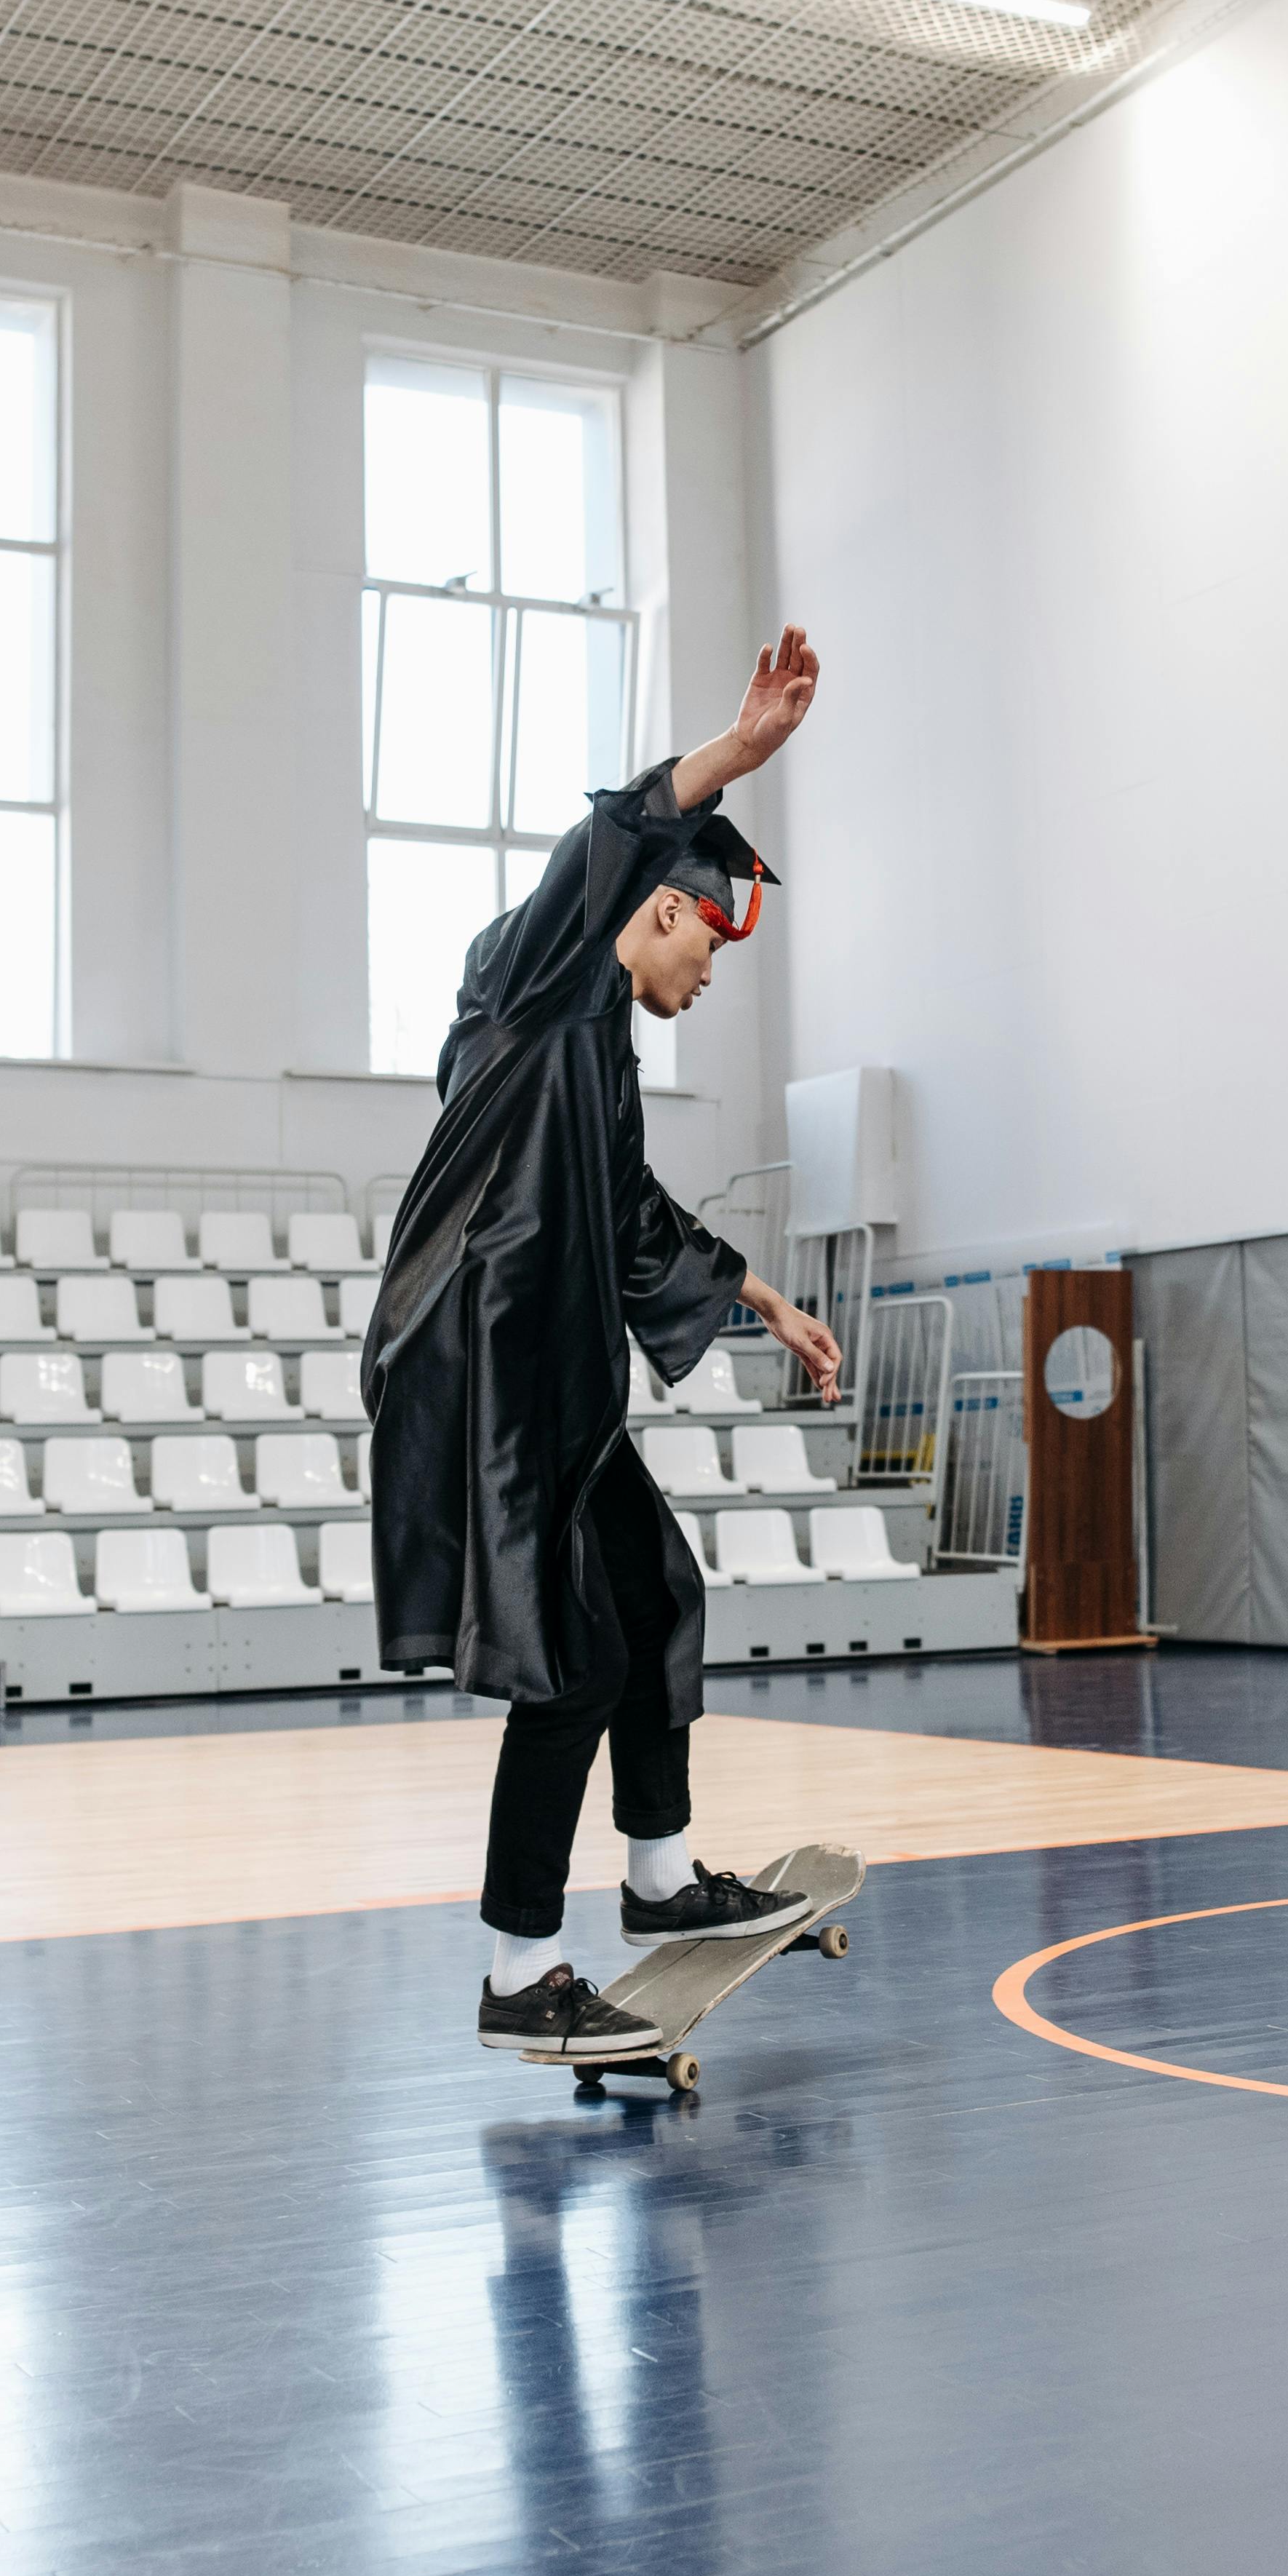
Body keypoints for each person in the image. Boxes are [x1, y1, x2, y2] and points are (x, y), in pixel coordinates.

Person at [360, 626, 843, 2061]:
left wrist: (754, 1295)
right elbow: (607, 843)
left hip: (558, 1377)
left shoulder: (595, 1056)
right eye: (705, 936)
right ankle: (520, 1971)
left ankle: (658, 1882)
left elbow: (631, 1210)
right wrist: (729, 762)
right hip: (487, 1374)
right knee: (570, 1664)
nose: (707, 973)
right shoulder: (533, 991)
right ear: (649, 913)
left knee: (650, 1590)